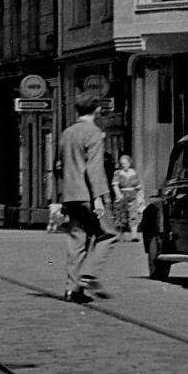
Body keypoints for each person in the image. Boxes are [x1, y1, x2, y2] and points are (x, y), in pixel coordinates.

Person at [56, 92, 116, 302]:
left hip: (70, 195)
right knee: (108, 234)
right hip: (88, 195)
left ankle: (72, 289)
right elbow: (94, 168)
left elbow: (58, 166)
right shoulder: (94, 133)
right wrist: (99, 198)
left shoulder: (67, 133)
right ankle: (88, 276)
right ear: (97, 110)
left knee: (77, 239)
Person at [111, 154, 145, 239]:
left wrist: (141, 196)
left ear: (129, 163)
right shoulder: (118, 173)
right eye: (122, 164)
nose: (124, 165)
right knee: (121, 216)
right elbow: (115, 185)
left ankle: (134, 236)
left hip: (133, 196)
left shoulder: (134, 172)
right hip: (122, 195)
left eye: (125, 163)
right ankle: (120, 236)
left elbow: (138, 186)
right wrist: (118, 195)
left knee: (133, 215)